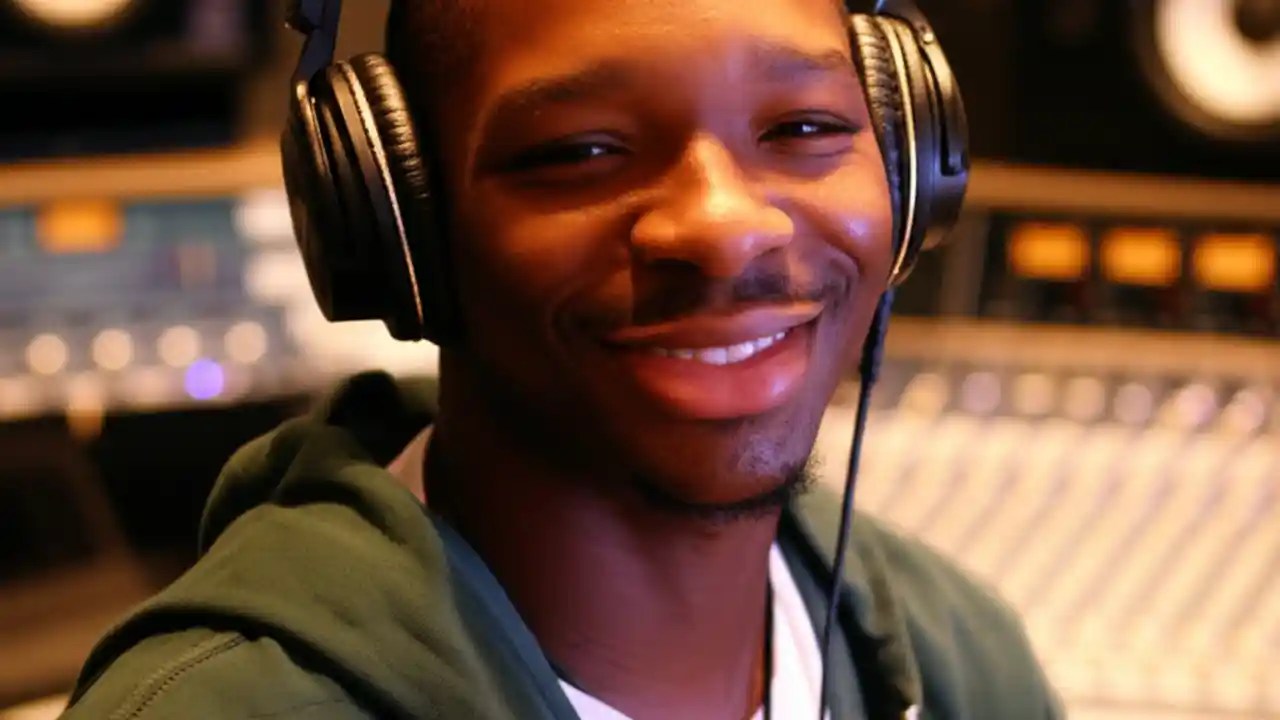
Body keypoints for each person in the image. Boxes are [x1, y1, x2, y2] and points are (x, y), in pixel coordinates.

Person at [61, 0, 1063, 718]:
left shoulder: (952, 659)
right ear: (396, 228)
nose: (723, 228)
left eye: (802, 128)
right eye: (579, 150)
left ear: (907, 173)